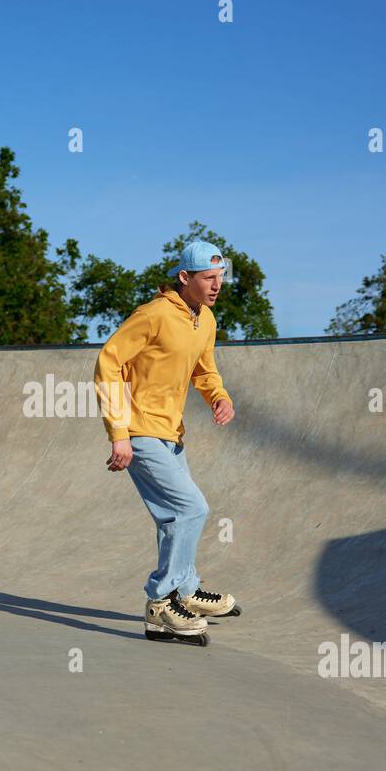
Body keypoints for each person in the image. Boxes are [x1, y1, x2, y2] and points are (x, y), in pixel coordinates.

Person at [93, 240, 241, 644]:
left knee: (173, 518)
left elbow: (205, 370)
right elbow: (109, 361)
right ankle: (160, 601)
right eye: (208, 279)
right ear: (184, 277)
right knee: (192, 508)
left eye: (220, 278)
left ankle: (185, 594)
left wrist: (219, 397)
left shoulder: (205, 319)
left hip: (172, 434)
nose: (216, 286)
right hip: (140, 432)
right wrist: (119, 433)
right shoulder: (154, 315)